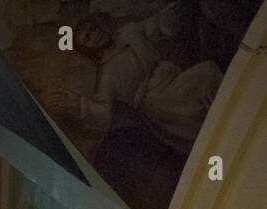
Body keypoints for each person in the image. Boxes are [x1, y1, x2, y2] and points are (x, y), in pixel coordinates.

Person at [43, 5, 223, 153]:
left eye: (93, 29)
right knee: (208, 73)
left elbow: (155, 25)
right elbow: (103, 113)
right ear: (88, 50)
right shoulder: (107, 73)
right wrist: (76, 102)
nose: (94, 34)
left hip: (173, 80)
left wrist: (175, 11)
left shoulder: (128, 34)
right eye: (88, 38)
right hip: (161, 103)